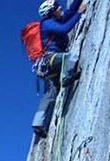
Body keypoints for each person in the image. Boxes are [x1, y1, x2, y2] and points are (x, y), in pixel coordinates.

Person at [32, 0, 88, 139]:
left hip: (47, 66)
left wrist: (77, 3)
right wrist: (80, 13)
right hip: (51, 59)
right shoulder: (48, 24)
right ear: (51, 12)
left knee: (51, 93)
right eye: (57, 7)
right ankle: (66, 77)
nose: (60, 8)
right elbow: (65, 29)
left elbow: (69, 13)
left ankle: (39, 123)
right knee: (70, 57)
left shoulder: (55, 21)